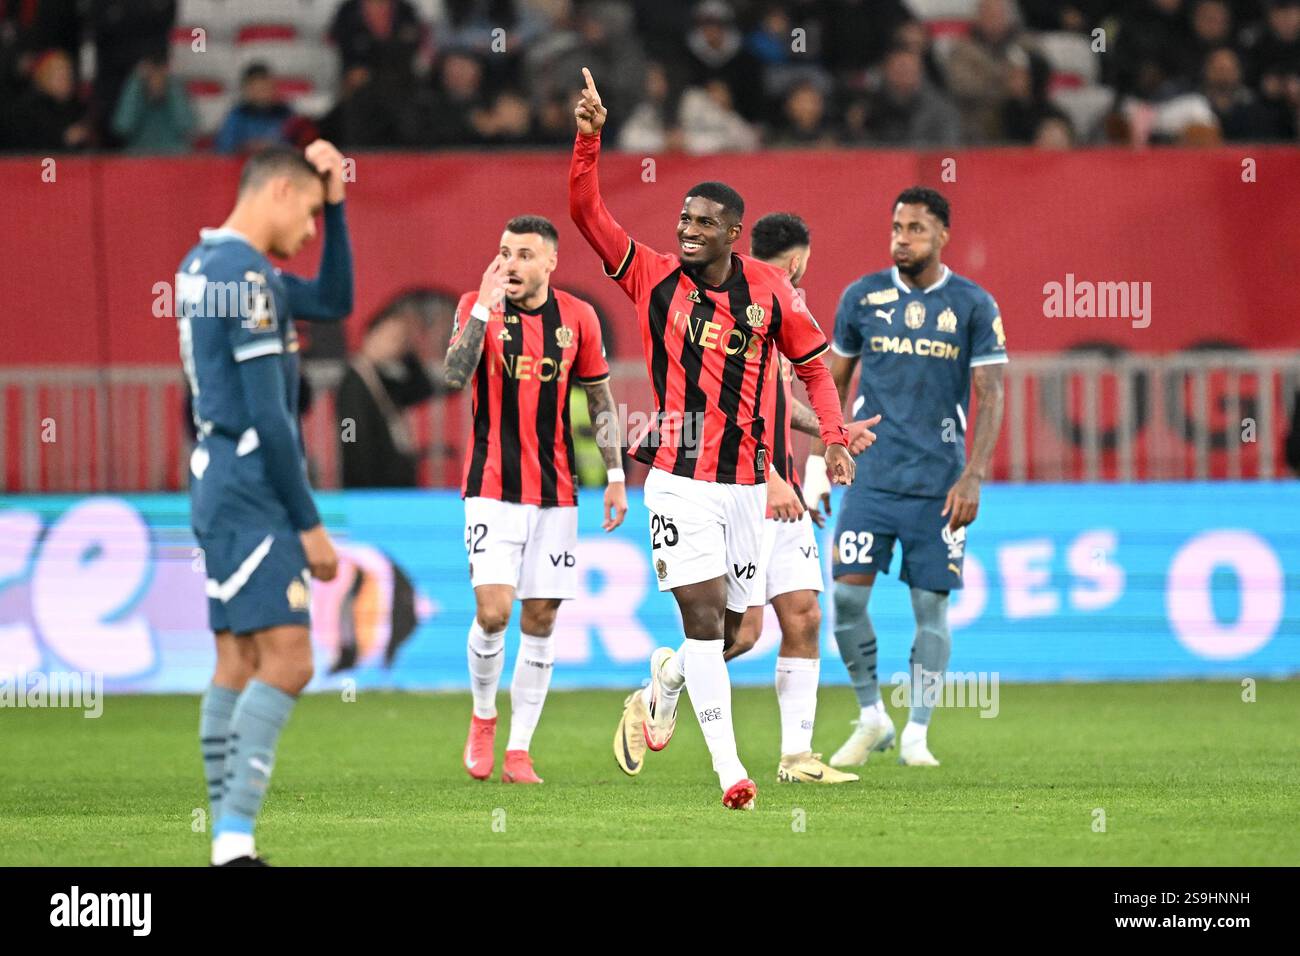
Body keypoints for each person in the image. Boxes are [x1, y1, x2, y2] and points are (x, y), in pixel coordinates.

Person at [570, 68, 854, 811]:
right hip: (678, 478)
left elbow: (816, 370)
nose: (686, 232)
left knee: (739, 631)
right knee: (703, 623)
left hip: (748, 491)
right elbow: (586, 213)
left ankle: (662, 683)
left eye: (702, 224)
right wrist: (589, 139)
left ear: (732, 233)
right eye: (682, 220)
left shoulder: (768, 291)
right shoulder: (652, 277)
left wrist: (832, 437)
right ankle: (733, 773)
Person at [622, 212, 879, 786]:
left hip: (773, 481)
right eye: (802, 264)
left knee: (805, 614)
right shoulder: (739, 310)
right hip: (746, 484)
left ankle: (796, 757)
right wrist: (775, 476)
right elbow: (730, 411)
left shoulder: (779, 308)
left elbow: (784, 402)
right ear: (793, 260)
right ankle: (664, 684)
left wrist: (831, 434)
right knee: (740, 632)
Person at [178, 141, 353, 865]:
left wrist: (339, 202)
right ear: (278, 192)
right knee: (290, 661)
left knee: (238, 660)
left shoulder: (204, 268)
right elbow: (272, 418)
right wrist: (307, 522)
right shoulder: (247, 279)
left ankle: (228, 842)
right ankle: (234, 838)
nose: (313, 232)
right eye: (312, 214)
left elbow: (335, 299)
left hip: (216, 475)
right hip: (251, 484)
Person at [810, 187, 1007, 770]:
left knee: (930, 608)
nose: (902, 238)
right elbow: (832, 383)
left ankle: (918, 731)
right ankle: (872, 715)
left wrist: (973, 475)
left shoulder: (973, 304)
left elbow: (991, 392)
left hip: (938, 484)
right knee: (845, 599)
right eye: (897, 226)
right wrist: (822, 463)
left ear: (942, 235)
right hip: (870, 480)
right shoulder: (862, 297)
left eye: (916, 229)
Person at [443, 215, 627, 785]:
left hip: (556, 494)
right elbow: (453, 374)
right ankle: (482, 717)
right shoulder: (479, 304)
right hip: (492, 487)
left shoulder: (579, 318)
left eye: (524, 254)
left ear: (550, 262)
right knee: (494, 611)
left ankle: (519, 750)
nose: (511, 264)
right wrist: (482, 307)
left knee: (542, 618)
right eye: (504, 253)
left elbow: (599, 397)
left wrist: (616, 474)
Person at [337, 294, 442, 488]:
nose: (393, 346)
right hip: (370, 485)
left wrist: (410, 352)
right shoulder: (352, 383)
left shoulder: (386, 379)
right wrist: (358, 478)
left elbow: (422, 388)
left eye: (400, 341)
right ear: (371, 334)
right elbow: (349, 433)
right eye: (390, 337)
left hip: (396, 480)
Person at [111, 53, 194, 154]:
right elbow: (123, 127)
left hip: (173, 157)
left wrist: (173, 87)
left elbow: (187, 126)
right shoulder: (137, 96)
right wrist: (135, 83)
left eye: (160, 76)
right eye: (151, 76)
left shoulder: (175, 94)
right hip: (139, 158)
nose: (156, 81)